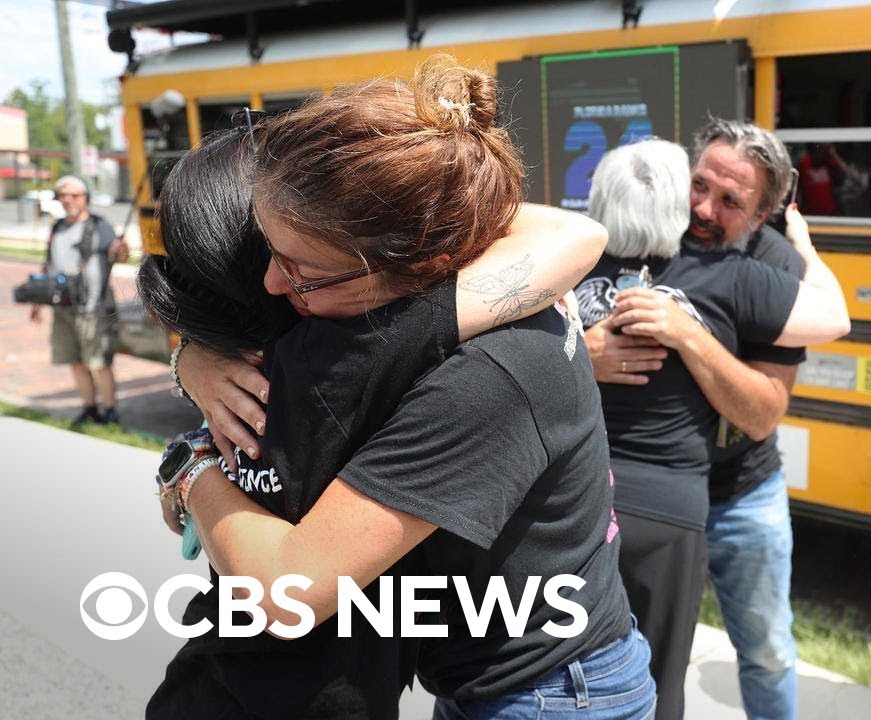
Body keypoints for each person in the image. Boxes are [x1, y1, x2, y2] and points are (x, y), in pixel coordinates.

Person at [144, 54, 653, 720]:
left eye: (302, 272)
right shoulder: (451, 275)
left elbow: (286, 590)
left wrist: (191, 467)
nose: (272, 284)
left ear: (422, 263)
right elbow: (566, 228)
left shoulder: (476, 371)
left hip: (550, 693)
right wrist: (194, 358)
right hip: (497, 676)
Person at [575, 138, 849, 719]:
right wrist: (579, 349)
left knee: (767, 652)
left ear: (760, 216)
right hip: (622, 496)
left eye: (730, 200)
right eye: (699, 186)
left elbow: (760, 416)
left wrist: (687, 333)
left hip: (742, 493)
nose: (703, 209)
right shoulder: (628, 237)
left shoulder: (766, 266)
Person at [28, 175, 128, 425]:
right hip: (62, 308)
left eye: (74, 195)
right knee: (75, 362)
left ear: (86, 198)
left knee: (99, 362)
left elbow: (120, 257)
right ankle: (89, 408)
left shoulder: (99, 226)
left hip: (94, 308)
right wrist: (37, 302)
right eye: (63, 195)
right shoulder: (57, 227)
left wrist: (121, 249)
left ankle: (110, 411)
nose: (67, 200)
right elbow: (48, 264)